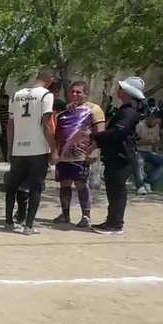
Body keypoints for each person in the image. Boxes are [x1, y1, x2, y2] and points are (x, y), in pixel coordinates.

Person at [4, 69, 58, 234]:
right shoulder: (46, 95)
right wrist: (53, 149)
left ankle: (8, 221)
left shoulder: (17, 95)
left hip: (18, 149)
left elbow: (11, 125)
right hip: (37, 149)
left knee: (13, 187)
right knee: (35, 188)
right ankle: (29, 226)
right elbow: (47, 124)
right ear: (50, 79)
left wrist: (10, 148)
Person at [91, 77, 144, 236]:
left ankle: (116, 224)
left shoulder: (129, 112)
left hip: (122, 156)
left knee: (117, 191)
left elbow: (118, 132)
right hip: (116, 154)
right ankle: (111, 220)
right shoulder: (125, 109)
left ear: (127, 92)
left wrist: (95, 137)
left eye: (122, 88)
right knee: (113, 190)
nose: (119, 90)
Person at [51, 81, 105, 228]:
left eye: (78, 92)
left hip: (82, 155)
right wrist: (54, 152)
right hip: (63, 155)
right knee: (64, 184)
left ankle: (86, 216)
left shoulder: (94, 109)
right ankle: (65, 214)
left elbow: (100, 132)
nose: (74, 94)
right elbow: (56, 134)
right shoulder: (63, 112)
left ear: (86, 94)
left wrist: (94, 149)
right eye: (72, 92)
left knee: (81, 184)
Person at [134, 114, 163, 194]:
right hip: (138, 151)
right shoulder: (140, 126)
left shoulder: (156, 127)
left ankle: (148, 181)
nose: (154, 124)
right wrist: (147, 142)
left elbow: (156, 141)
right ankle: (140, 186)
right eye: (154, 121)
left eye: (156, 123)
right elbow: (134, 141)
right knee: (139, 162)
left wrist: (157, 150)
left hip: (149, 152)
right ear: (149, 118)